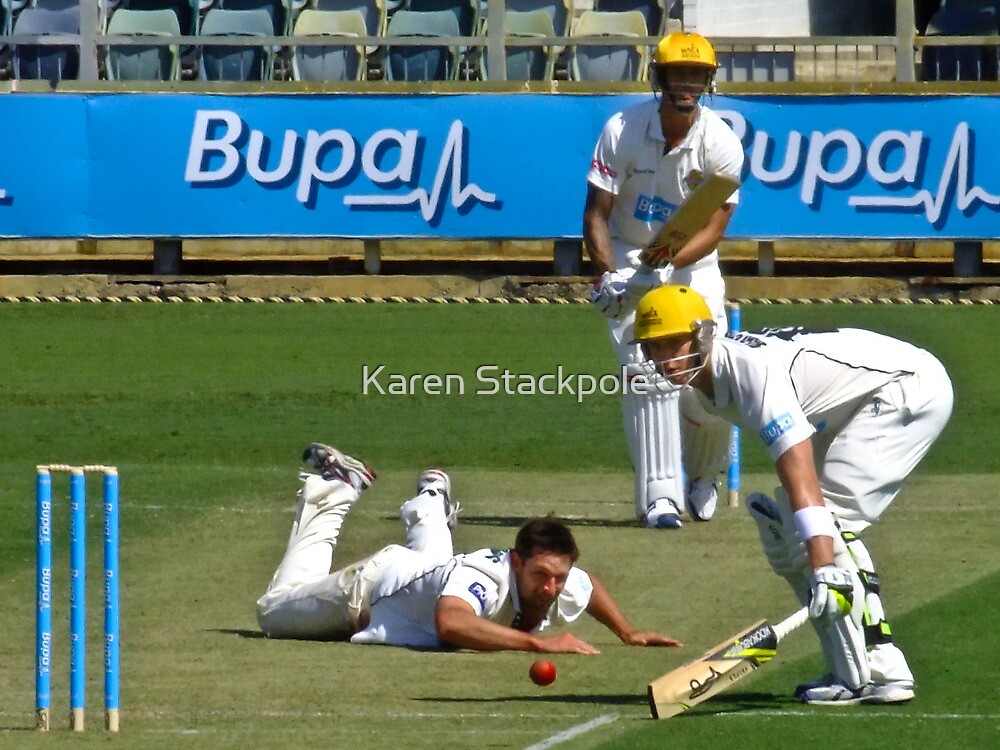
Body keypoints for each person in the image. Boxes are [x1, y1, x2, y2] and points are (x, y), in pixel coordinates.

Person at [630, 285, 954, 705]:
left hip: (908, 388)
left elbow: (798, 470)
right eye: (654, 348)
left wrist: (823, 567)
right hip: (867, 395)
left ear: (703, 335)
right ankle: (853, 669)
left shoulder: (748, 372)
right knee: (793, 525)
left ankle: (883, 668)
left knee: (825, 524)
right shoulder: (699, 390)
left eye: (674, 343)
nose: (665, 359)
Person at [257, 442, 683, 652]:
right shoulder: (486, 578)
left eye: (558, 577)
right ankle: (336, 487)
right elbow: (451, 624)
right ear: (516, 562)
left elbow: (589, 586)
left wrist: (627, 632)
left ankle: (431, 500)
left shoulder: (559, 579)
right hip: (372, 590)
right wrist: (539, 644)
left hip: (427, 572)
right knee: (272, 613)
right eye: (541, 576)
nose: (551, 588)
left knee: (438, 566)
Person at [583, 31, 744, 530]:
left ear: (708, 81)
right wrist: (609, 274)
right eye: (679, 73)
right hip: (630, 255)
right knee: (645, 370)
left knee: (709, 374)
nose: (687, 84)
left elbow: (715, 227)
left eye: (697, 75)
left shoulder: (722, 142)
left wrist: (668, 262)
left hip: (690, 263)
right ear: (659, 76)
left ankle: (703, 476)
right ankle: (659, 495)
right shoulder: (621, 129)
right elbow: (595, 213)